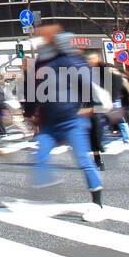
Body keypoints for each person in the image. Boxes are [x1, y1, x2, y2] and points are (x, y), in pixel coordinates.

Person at [27, 21, 106, 222]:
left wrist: (91, 107)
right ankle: (48, 197)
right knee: (39, 158)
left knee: (84, 161)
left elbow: (88, 84)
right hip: (50, 121)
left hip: (72, 119)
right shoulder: (42, 62)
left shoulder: (69, 60)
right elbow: (33, 90)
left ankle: (97, 204)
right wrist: (31, 113)